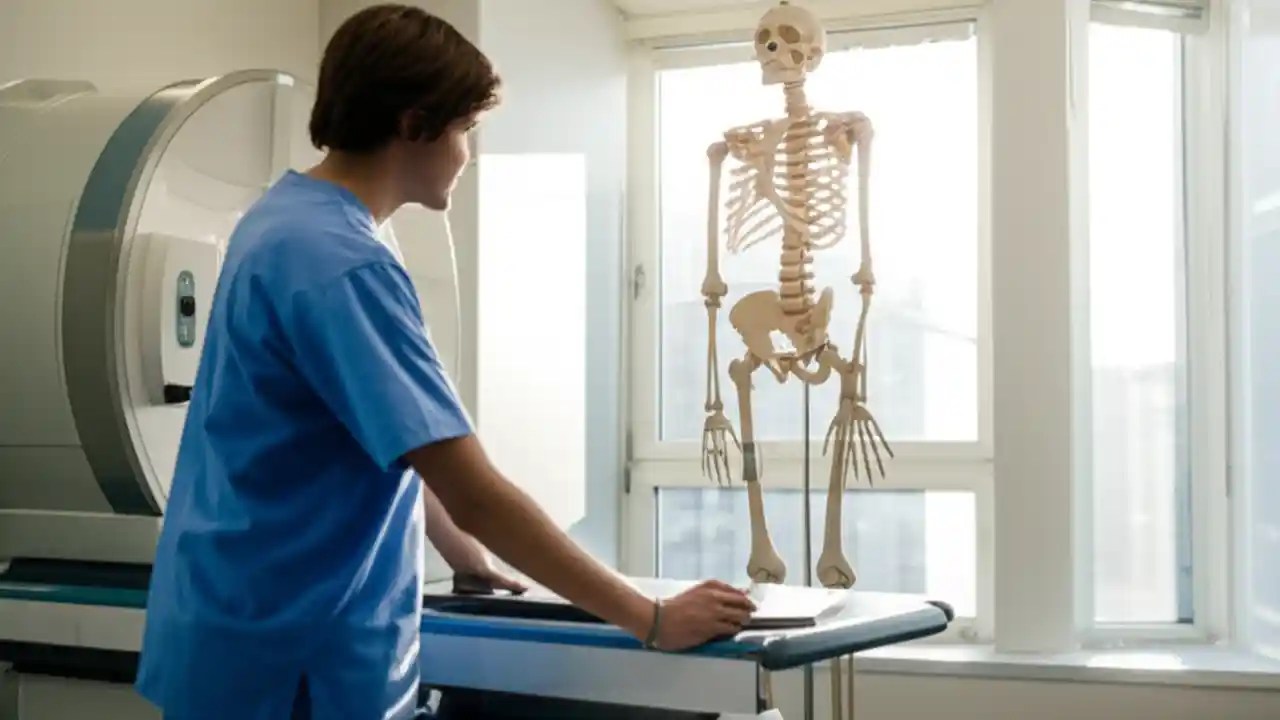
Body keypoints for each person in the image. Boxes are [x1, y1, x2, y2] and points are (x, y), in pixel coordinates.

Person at [133, 4, 755, 719]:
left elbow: (381, 438)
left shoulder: (280, 220)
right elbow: (474, 490)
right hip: (295, 650)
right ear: (413, 123)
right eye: (464, 129)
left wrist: (463, 555)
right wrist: (649, 615)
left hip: (232, 630)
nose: (467, 151)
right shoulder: (345, 264)